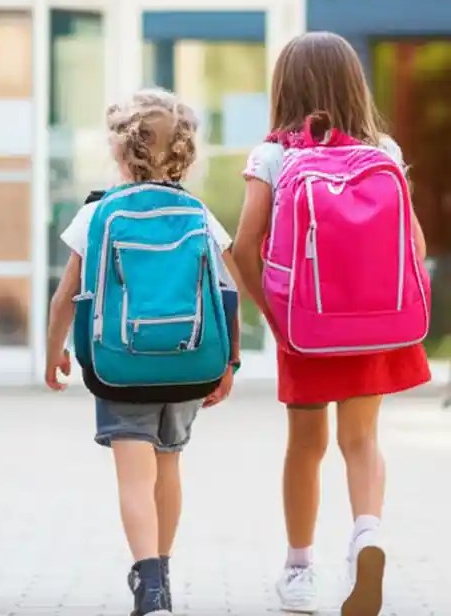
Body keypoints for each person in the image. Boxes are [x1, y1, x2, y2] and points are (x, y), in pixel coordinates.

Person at [232, 32, 431, 616]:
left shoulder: (273, 155)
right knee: (363, 439)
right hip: (373, 321)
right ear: (355, 84)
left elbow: (244, 247)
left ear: (284, 87)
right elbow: (413, 243)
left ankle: (298, 570)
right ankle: (367, 535)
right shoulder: (385, 151)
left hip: (308, 324)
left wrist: (273, 315)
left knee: (305, 445)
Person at [45, 88, 239, 616]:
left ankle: (148, 585)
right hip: (187, 361)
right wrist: (230, 363)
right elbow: (226, 291)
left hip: (119, 363)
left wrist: (53, 352)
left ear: (119, 149)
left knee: (135, 476)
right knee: (168, 466)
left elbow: (66, 296)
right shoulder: (196, 212)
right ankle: (165, 574)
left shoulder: (98, 213)